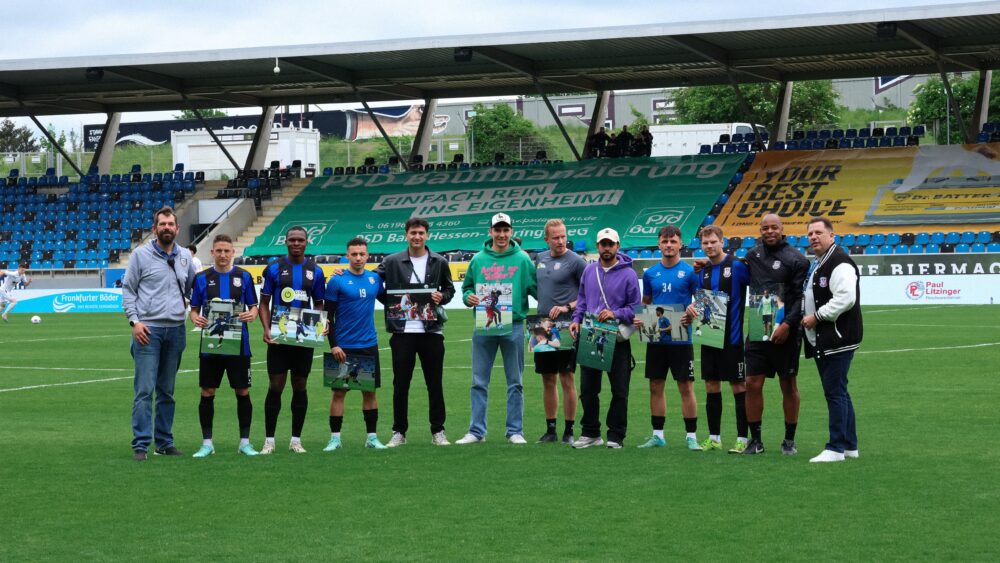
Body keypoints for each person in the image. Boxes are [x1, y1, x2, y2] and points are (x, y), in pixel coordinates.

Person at [122, 207, 197, 461]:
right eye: (162, 224)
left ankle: (164, 442)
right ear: (155, 229)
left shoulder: (185, 256)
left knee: (167, 390)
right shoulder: (140, 255)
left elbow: (192, 289)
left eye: (171, 224)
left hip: (176, 330)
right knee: (144, 390)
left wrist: (193, 311)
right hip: (148, 331)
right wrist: (135, 322)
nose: (167, 228)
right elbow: (129, 290)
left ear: (177, 229)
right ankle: (141, 444)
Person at [456, 212, 537, 445]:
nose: (501, 234)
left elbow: (537, 288)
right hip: (484, 326)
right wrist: (469, 297)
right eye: (497, 230)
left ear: (511, 232)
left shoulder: (522, 259)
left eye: (505, 230)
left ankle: (515, 431)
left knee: (516, 381)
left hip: (514, 327)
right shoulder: (479, 259)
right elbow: (467, 288)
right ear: (490, 232)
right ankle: (476, 431)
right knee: (479, 381)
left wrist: (560, 306)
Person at [375, 217, 456, 447]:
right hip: (402, 332)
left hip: (431, 331)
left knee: (434, 383)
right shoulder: (391, 261)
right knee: (400, 383)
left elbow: (449, 289)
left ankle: (438, 431)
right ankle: (399, 432)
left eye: (421, 232)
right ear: (406, 235)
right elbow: (371, 280)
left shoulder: (439, 262)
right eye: (413, 233)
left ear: (427, 235)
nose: (417, 237)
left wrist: (443, 297)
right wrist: (388, 300)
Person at [742, 214, 810, 456]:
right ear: (759, 230)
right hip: (760, 324)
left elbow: (799, 298)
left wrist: (788, 325)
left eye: (774, 227)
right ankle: (756, 441)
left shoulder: (797, 259)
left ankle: (789, 441)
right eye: (765, 228)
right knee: (752, 383)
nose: (769, 231)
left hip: (786, 331)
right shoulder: (753, 255)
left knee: (788, 384)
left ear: (782, 230)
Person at [188, 234, 260, 458]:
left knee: (243, 391)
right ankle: (207, 443)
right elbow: (194, 309)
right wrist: (195, 318)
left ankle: (245, 442)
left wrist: (252, 314)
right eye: (218, 251)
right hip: (211, 345)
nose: (222, 255)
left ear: (233, 252)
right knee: (208, 391)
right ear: (212, 252)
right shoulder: (201, 278)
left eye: (227, 251)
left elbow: (254, 307)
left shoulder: (244, 277)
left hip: (239, 344)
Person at [570, 228, 640, 449]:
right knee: (589, 389)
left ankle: (616, 435)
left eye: (611, 244)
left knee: (620, 390)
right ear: (597, 246)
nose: (607, 248)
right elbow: (581, 299)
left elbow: (636, 308)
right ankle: (590, 432)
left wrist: (615, 313)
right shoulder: (589, 271)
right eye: (603, 244)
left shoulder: (629, 274)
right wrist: (575, 319)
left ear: (618, 246)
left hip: (617, 338)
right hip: (591, 335)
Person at [258, 226, 326, 454]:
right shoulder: (274, 268)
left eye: (300, 240)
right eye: (292, 240)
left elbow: (318, 303)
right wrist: (266, 329)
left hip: (303, 335)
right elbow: (264, 303)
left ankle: (296, 439)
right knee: (276, 385)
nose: (296, 243)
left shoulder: (315, 271)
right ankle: (269, 440)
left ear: (307, 243)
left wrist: (319, 324)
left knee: (300, 385)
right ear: (285, 242)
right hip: (279, 336)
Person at [801, 217, 862, 463]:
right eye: (810, 234)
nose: (813, 237)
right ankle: (849, 445)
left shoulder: (840, 263)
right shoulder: (820, 262)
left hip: (837, 337)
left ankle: (835, 447)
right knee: (840, 392)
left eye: (818, 232)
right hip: (827, 337)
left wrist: (817, 316)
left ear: (831, 236)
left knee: (834, 393)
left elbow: (845, 298)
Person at [685, 225, 751, 454]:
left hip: (732, 338)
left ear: (722, 241)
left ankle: (743, 438)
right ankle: (714, 438)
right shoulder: (701, 272)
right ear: (701, 245)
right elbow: (702, 301)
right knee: (711, 385)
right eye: (705, 243)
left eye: (713, 241)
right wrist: (692, 307)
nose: (710, 246)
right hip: (709, 334)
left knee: (738, 385)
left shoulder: (738, 267)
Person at [637, 225, 702, 450]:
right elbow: (646, 302)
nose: (668, 245)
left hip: (682, 338)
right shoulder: (649, 273)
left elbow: (702, 299)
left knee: (685, 386)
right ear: (659, 244)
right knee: (655, 385)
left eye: (673, 241)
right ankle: (658, 435)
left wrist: (693, 311)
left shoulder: (690, 272)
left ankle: (691, 436)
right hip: (656, 336)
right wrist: (640, 318)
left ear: (680, 244)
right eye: (665, 241)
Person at [323, 237, 387, 451]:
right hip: (343, 346)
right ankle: (335, 438)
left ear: (368, 256)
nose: (358, 258)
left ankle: (371, 437)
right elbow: (327, 316)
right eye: (354, 254)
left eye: (362, 254)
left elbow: (391, 301)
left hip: (369, 343)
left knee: (369, 392)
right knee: (339, 392)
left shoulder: (374, 280)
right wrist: (333, 344)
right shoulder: (336, 281)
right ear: (347, 255)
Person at [533, 218, 587, 444]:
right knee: (547, 379)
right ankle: (551, 429)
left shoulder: (576, 261)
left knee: (567, 377)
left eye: (563, 236)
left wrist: (567, 307)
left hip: (567, 325)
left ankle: (569, 430)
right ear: (547, 239)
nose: (561, 241)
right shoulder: (540, 258)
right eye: (555, 237)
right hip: (542, 324)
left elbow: (587, 294)